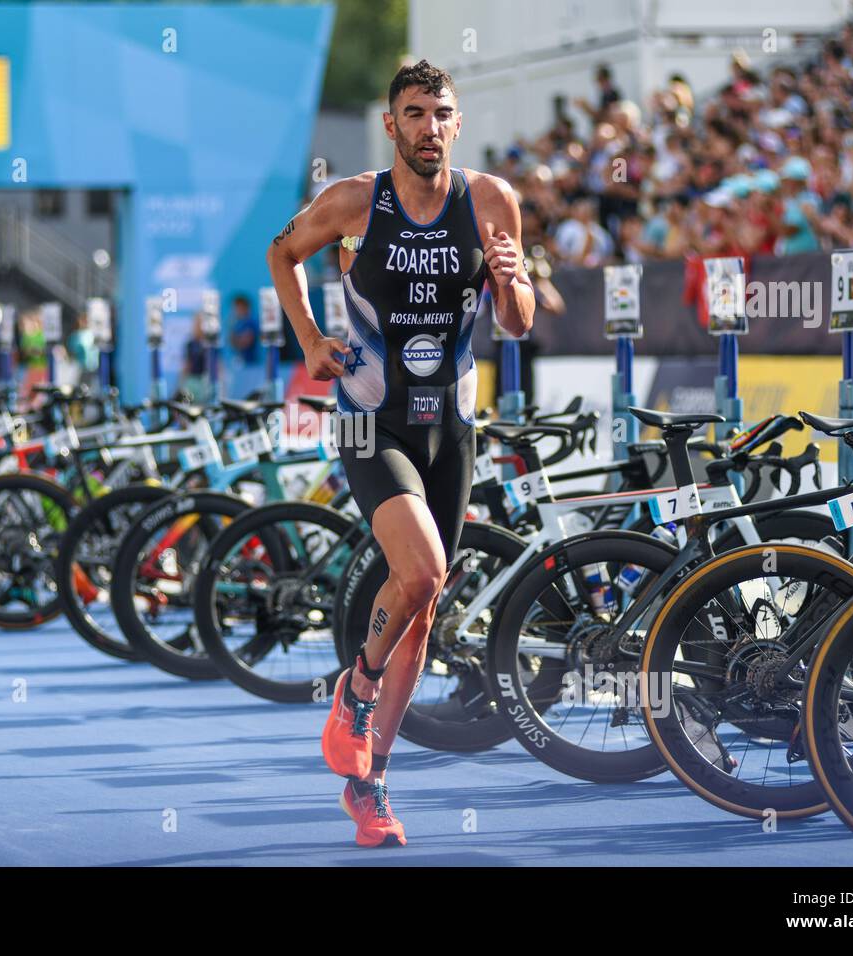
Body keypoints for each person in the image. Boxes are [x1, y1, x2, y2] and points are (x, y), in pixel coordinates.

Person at [266, 59, 535, 848]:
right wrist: (310, 339)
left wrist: (513, 282)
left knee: (425, 604)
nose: (428, 127)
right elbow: (282, 254)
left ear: (457, 123)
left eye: (441, 113)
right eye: (413, 114)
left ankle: (371, 785)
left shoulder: (492, 201)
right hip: (368, 417)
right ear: (391, 125)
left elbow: (518, 322)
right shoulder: (355, 201)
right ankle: (356, 689)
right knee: (419, 571)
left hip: (449, 423)